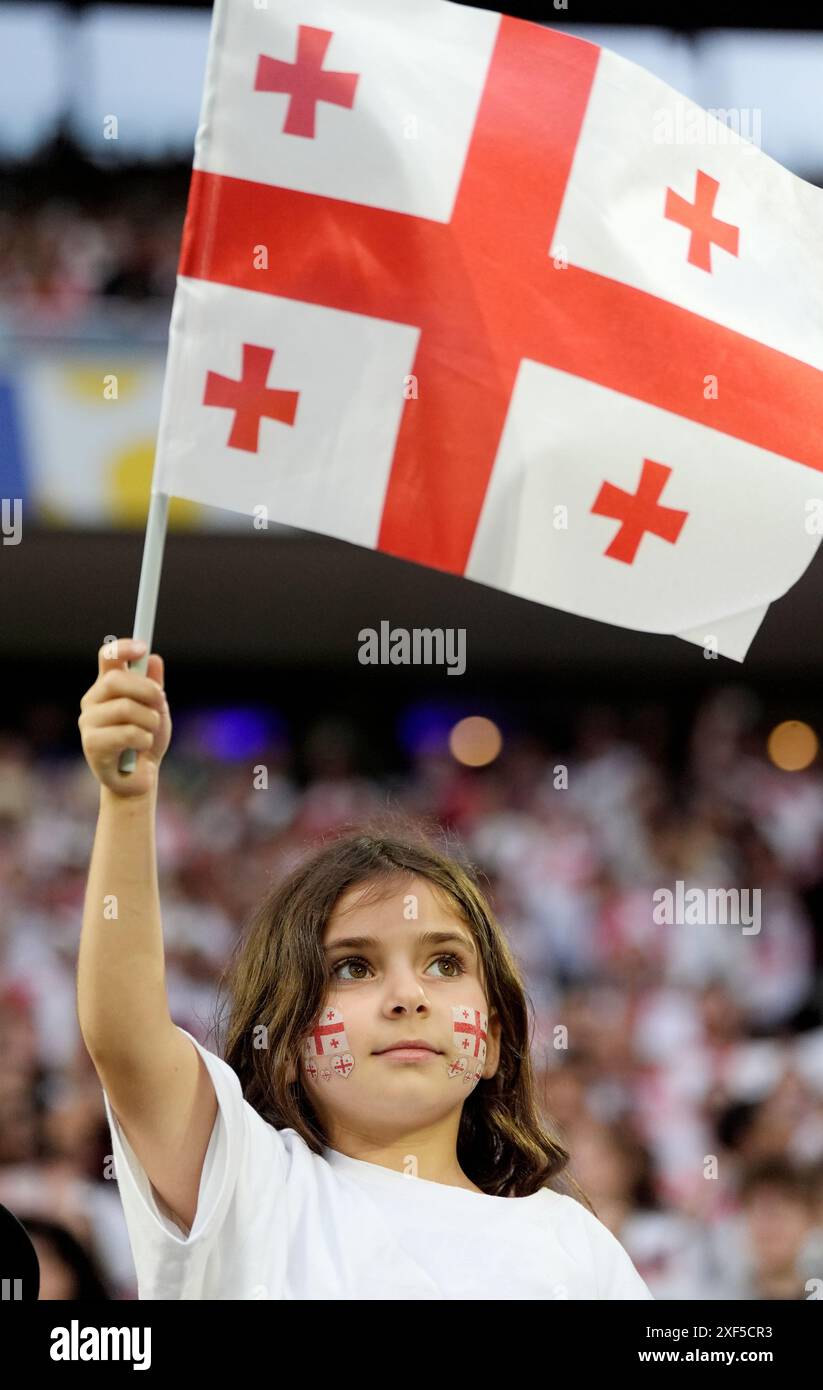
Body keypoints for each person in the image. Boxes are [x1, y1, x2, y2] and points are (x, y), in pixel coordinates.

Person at [77, 637, 653, 1301]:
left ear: (492, 1040)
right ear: (285, 1044)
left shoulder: (578, 1251)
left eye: (443, 962)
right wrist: (126, 803)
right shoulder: (250, 1185)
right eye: (353, 968)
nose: (407, 996)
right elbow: (126, 1041)